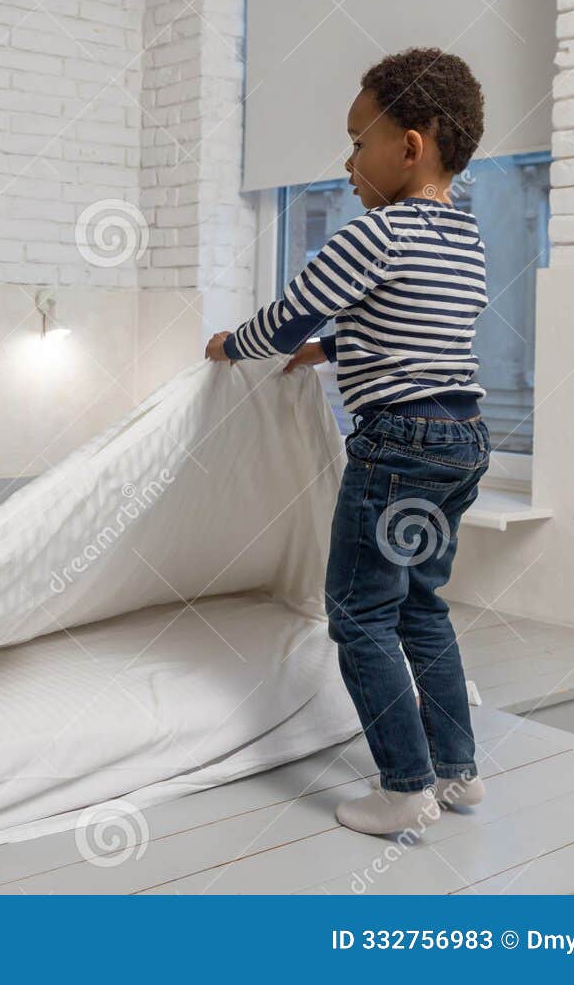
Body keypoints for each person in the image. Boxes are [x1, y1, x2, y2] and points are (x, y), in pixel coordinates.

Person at [208, 47, 490, 836]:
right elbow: (414, 332)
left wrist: (234, 344)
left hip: (396, 444)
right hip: (462, 440)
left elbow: (291, 313)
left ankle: (404, 787)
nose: (347, 160)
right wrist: (330, 352)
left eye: (358, 140)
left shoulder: (372, 236)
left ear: (412, 144)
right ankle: (458, 770)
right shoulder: (465, 240)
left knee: (359, 612)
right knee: (422, 605)